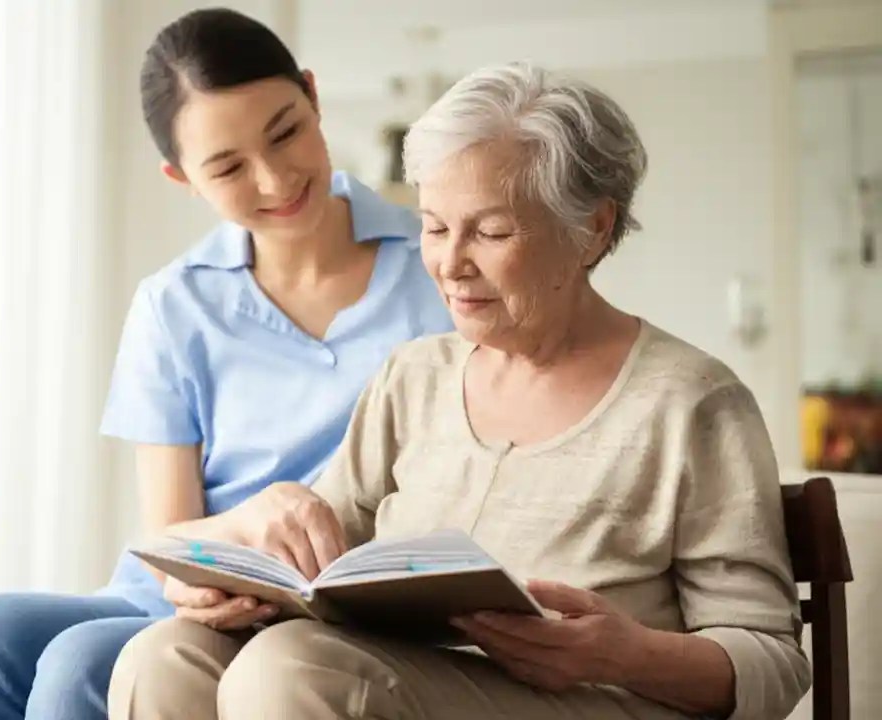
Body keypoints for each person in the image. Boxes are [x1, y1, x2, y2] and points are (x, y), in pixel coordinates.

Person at [110, 62, 812, 720]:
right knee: (165, 656)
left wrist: (622, 650)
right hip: (407, 680)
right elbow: (315, 565)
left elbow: (772, 661)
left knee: (296, 670)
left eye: (492, 231)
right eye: (434, 227)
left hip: (593, 699)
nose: (449, 263)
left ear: (592, 229)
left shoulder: (691, 401)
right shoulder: (412, 377)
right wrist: (235, 582)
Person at [0, 8, 453, 719]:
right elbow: (168, 532)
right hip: (192, 594)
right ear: (183, 179)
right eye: (228, 167)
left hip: (333, 598)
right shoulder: (174, 304)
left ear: (314, 96)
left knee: (80, 665)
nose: (273, 178)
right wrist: (232, 538)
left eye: (286, 131)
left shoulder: (439, 268)